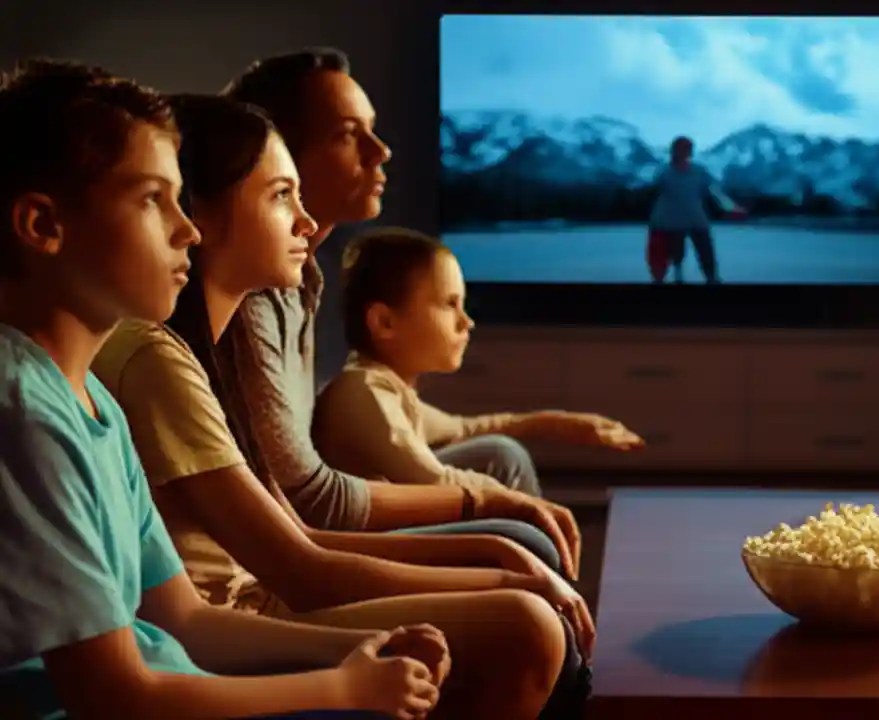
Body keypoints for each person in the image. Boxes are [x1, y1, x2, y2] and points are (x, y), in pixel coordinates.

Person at [90, 94, 581, 718]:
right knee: (525, 618)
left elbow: (298, 536)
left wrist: (499, 554)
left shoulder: (216, 345)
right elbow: (298, 566)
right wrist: (503, 569)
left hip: (258, 599)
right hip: (244, 616)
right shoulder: (156, 357)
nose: (305, 222)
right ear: (202, 215)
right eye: (279, 196)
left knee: (520, 572)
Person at [0, 58, 445, 720]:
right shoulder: (25, 416)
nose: (189, 230)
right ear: (43, 226)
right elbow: (117, 695)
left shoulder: (91, 402)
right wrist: (341, 688)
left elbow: (184, 616)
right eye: (153, 200)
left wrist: (358, 646)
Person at [218, 48, 589, 577]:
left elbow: (460, 430)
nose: (381, 151)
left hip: (322, 515)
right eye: (349, 135)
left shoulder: (301, 283)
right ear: (276, 155)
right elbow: (308, 497)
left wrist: (544, 431)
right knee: (521, 534)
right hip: (300, 542)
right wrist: (478, 502)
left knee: (499, 457)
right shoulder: (251, 297)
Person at [313, 227, 644, 496]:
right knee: (503, 462)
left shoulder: (388, 390)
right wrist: (523, 505)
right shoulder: (364, 392)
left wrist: (558, 425)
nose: (466, 322)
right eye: (450, 304)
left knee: (499, 454)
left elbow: (467, 429)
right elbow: (434, 483)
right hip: (377, 547)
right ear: (385, 322)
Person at [647, 135, 746, 284]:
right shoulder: (664, 172)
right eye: (679, 149)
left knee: (706, 252)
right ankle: (678, 277)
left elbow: (715, 192)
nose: (682, 153)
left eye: (686, 149)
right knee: (676, 254)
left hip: (696, 219)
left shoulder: (699, 172)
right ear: (673, 151)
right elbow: (652, 193)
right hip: (671, 220)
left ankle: (711, 278)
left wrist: (731, 207)